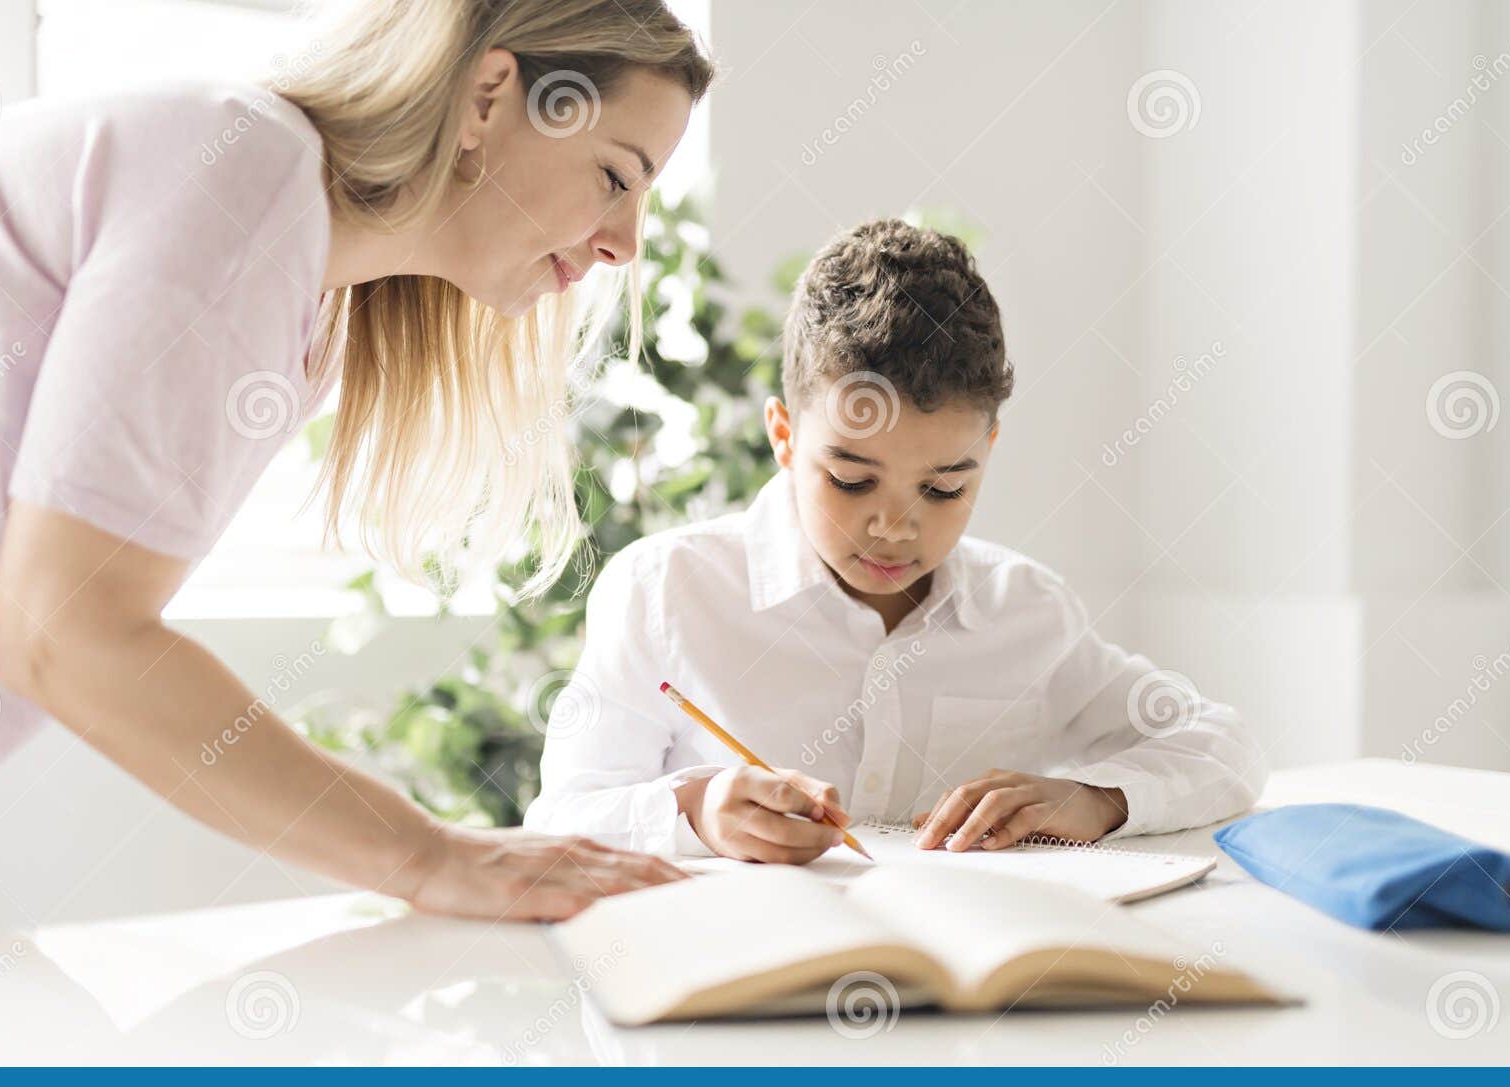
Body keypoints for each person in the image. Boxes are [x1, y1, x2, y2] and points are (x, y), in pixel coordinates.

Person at [0, 0, 715, 938]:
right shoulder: (244, 175)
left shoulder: (307, 299)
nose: (626, 244)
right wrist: (432, 856)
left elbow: (16, 600)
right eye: (616, 176)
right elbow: (69, 634)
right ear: (488, 97)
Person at [525, 218, 1266, 864]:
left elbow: (1223, 746)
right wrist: (696, 810)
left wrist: (1097, 798)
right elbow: (561, 817)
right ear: (784, 436)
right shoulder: (665, 590)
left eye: (943, 489)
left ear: (987, 451)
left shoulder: (1030, 611)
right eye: (852, 481)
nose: (894, 527)